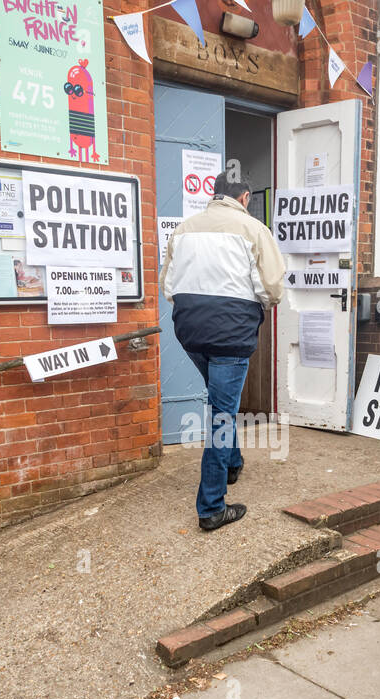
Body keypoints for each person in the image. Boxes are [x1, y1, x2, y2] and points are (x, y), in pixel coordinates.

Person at [159, 174, 286, 531]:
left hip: (190, 331)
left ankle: (232, 463)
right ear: (245, 197)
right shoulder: (253, 228)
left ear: (214, 195)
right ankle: (212, 506)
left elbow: (169, 285)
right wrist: (258, 304)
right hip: (231, 333)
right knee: (222, 416)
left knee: (220, 405)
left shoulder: (184, 229)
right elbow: (272, 287)